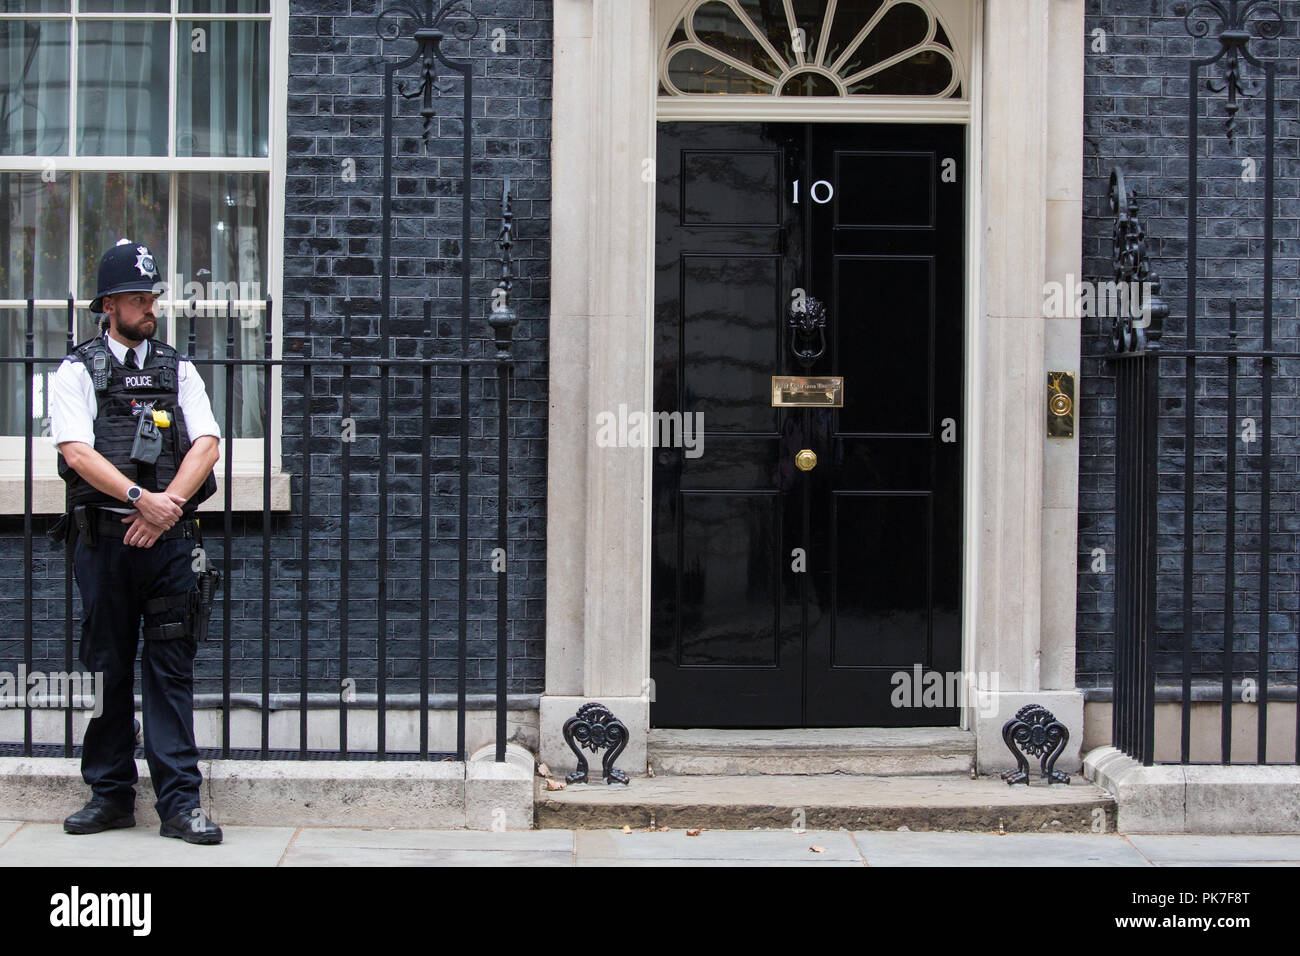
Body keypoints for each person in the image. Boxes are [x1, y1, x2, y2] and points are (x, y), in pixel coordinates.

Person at [49, 239, 224, 845]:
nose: (149, 306)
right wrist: (137, 500)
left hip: (169, 543)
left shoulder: (180, 368)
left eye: (152, 296)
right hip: (104, 542)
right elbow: (76, 451)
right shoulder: (76, 370)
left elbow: (207, 445)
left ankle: (180, 803)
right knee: (107, 669)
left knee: (170, 670)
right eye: (137, 297)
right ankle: (110, 795)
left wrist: (165, 506)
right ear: (108, 305)